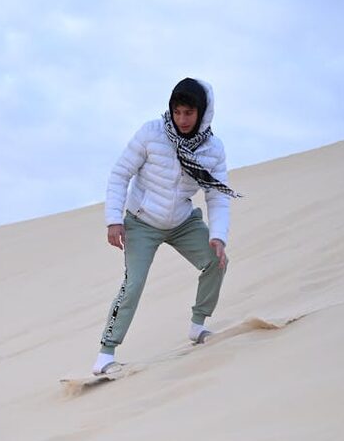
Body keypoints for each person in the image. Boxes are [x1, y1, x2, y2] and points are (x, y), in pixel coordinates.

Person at [93, 77, 241, 375]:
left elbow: (217, 196)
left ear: (202, 112)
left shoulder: (212, 149)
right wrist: (113, 220)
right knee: (133, 284)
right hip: (141, 221)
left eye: (189, 113)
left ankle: (198, 326)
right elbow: (120, 174)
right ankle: (105, 355)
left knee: (217, 261)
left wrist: (218, 236)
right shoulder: (151, 133)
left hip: (182, 222)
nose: (182, 119)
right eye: (177, 112)